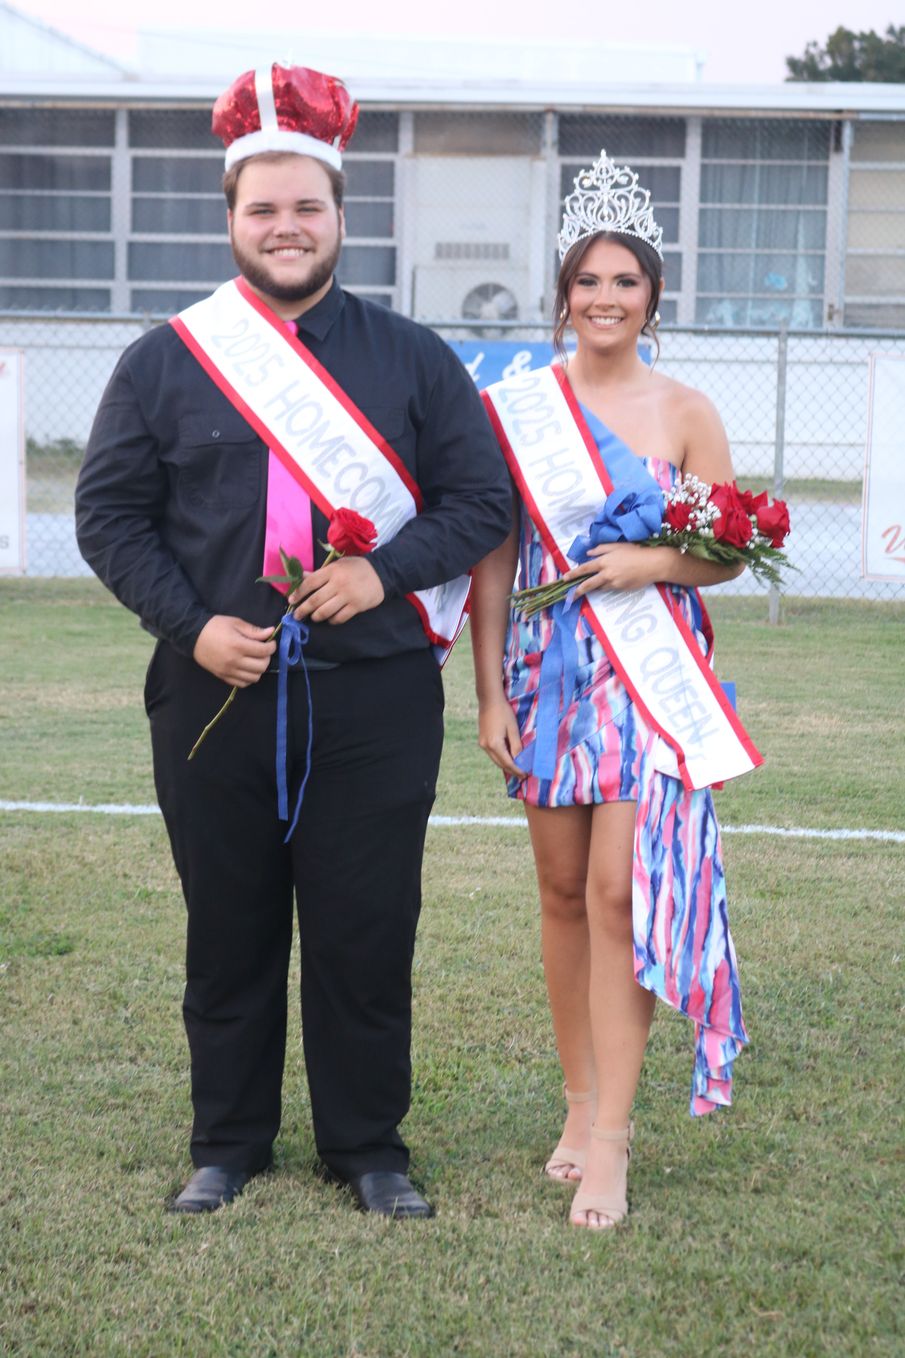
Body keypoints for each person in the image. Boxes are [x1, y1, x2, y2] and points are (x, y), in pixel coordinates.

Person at [75, 62, 511, 1219]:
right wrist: (191, 625)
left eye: (305, 206)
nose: (285, 225)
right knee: (227, 929)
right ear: (230, 218)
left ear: (339, 216)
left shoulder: (412, 356)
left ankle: (367, 1147)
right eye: (262, 207)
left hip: (374, 697)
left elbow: (480, 502)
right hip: (212, 691)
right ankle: (226, 1142)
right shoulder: (166, 359)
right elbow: (108, 516)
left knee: (366, 929)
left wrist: (380, 570)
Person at [472, 151, 759, 1230]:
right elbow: (494, 559)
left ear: (652, 294)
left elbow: (727, 554)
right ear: (562, 294)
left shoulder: (686, 409)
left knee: (615, 894)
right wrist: (488, 693)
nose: (604, 298)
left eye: (623, 281)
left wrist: (651, 563)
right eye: (586, 280)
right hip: (546, 673)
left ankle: (612, 1144)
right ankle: (577, 1100)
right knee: (557, 891)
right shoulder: (516, 409)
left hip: (647, 677)